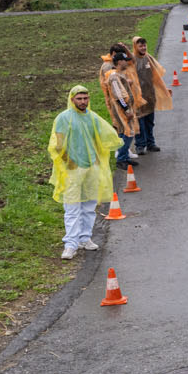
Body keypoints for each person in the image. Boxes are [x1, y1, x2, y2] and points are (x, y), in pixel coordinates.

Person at [47, 84, 120, 259]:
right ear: (72, 99)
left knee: (88, 206)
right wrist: (68, 161)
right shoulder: (64, 118)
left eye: (85, 98)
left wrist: (96, 161)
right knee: (72, 207)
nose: (83, 102)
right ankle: (70, 244)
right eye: (79, 98)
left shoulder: (92, 117)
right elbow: (58, 144)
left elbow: (100, 138)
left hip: (91, 167)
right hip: (73, 169)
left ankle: (84, 238)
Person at [129, 34, 173, 154]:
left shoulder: (149, 58)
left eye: (144, 45)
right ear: (135, 46)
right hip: (137, 98)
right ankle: (140, 145)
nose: (143, 48)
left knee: (149, 122)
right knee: (140, 122)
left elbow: (156, 77)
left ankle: (150, 143)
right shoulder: (131, 60)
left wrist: (164, 89)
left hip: (150, 96)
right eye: (140, 46)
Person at [98, 44, 140, 168]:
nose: (127, 63)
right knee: (127, 132)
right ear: (119, 61)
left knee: (125, 132)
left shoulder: (119, 75)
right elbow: (118, 95)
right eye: (125, 61)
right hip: (122, 109)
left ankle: (124, 157)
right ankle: (121, 159)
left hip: (125, 108)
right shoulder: (114, 77)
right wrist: (126, 109)